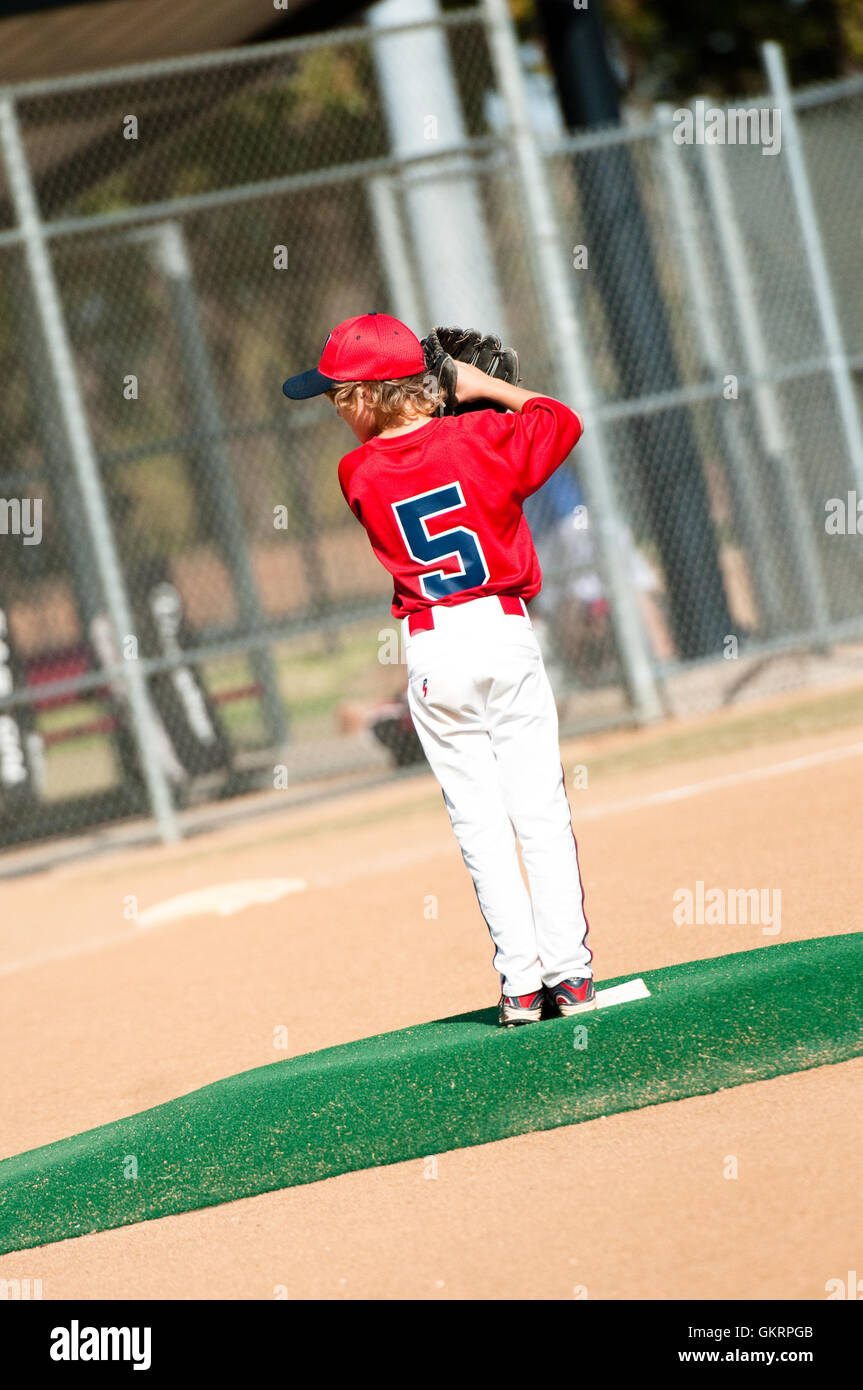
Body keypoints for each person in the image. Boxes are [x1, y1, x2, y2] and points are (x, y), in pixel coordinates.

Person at [282, 312, 594, 1026]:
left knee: (478, 824)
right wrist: (477, 387)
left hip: (431, 650)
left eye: (340, 399)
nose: (337, 413)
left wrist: (433, 403)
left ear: (368, 398)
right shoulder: (484, 437)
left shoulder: (354, 471)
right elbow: (561, 420)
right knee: (538, 811)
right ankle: (569, 977)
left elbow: (411, 456)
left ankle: (519, 987)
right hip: (504, 636)